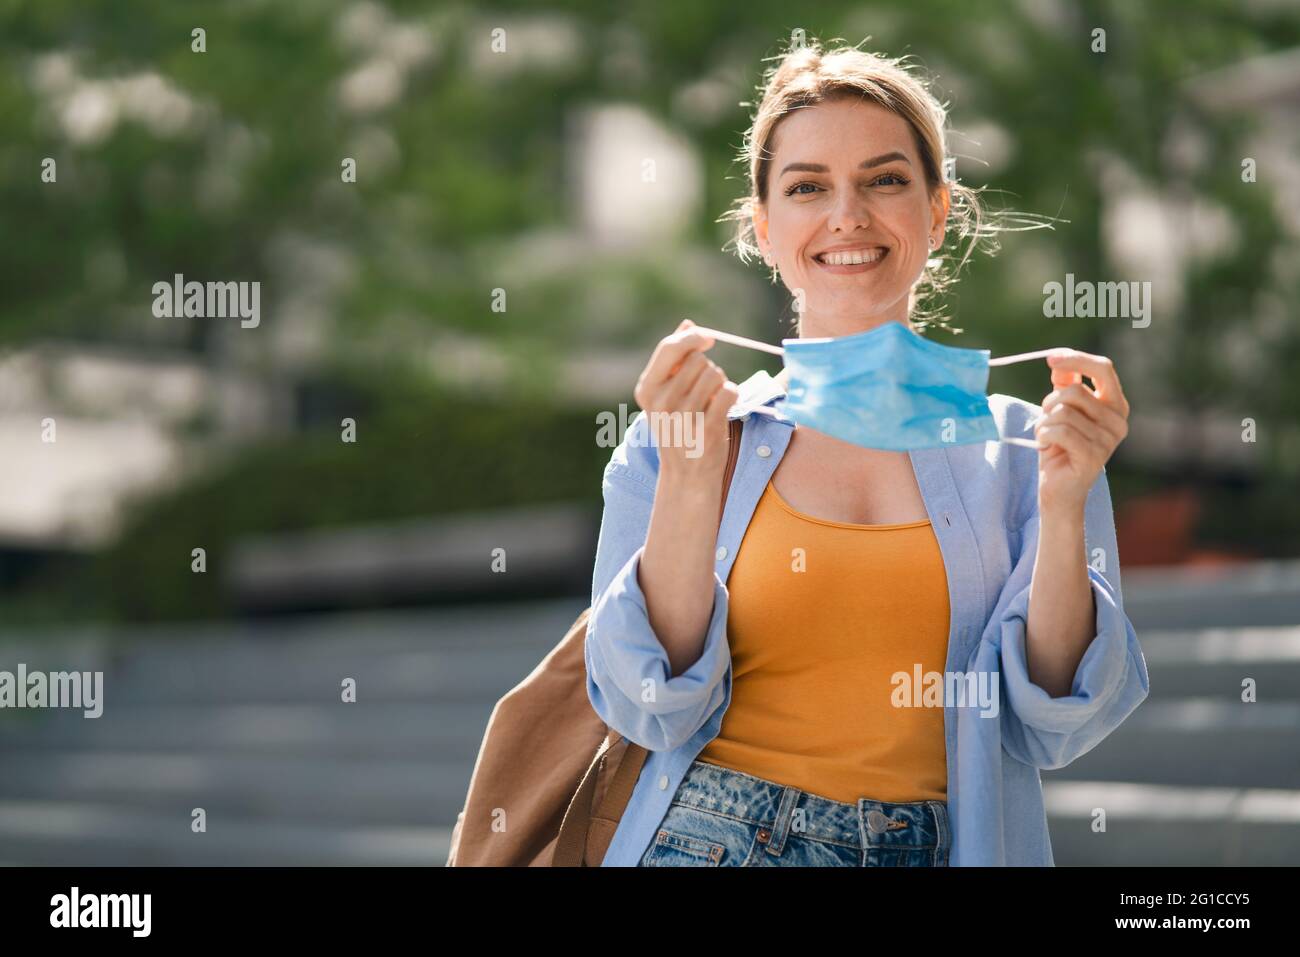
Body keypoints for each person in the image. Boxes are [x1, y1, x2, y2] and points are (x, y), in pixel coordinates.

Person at [584, 38, 1149, 866]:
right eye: (808, 187)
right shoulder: (686, 434)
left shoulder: (1036, 447)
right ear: (765, 228)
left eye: (885, 179)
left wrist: (1066, 506)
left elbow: (1055, 719)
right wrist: (694, 479)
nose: (847, 214)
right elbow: (645, 708)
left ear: (939, 208)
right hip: (707, 842)